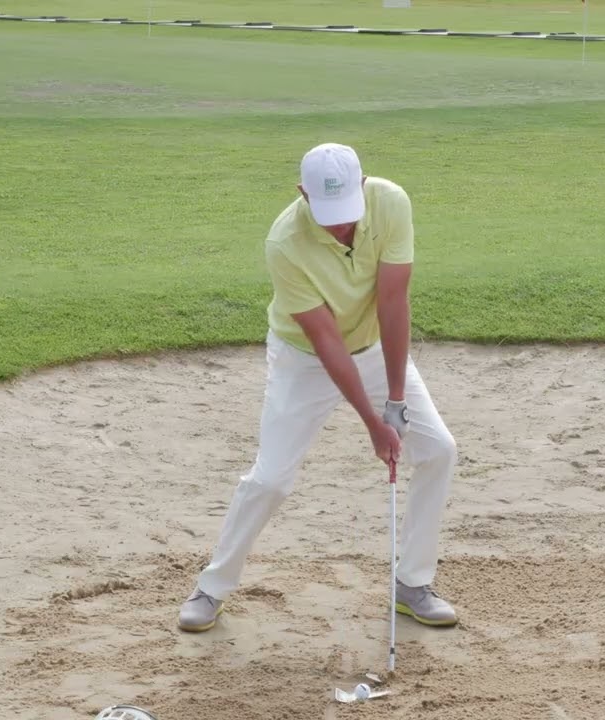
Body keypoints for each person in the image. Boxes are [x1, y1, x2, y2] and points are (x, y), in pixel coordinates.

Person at [178, 142, 460, 633]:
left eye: (347, 213)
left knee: (438, 450)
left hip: (373, 349)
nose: (340, 227)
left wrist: (395, 400)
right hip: (303, 360)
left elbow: (393, 302)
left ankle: (412, 584)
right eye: (327, 215)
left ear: (364, 184)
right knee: (270, 479)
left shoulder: (391, 202)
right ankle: (212, 588)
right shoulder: (285, 242)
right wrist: (373, 425)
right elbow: (325, 340)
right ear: (302, 194)